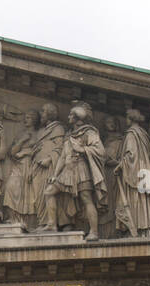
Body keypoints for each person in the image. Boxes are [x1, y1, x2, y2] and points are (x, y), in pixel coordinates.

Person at [44, 102, 108, 241]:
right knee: (49, 191)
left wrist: (83, 149)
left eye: (71, 115)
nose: (68, 117)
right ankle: (51, 225)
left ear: (78, 118)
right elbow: (62, 156)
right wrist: (55, 175)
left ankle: (94, 232)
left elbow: (101, 152)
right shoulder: (69, 135)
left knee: (86, 198)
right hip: (67, 170)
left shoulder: (89, 132)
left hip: (81, 169)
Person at [112, 108, 150, 238]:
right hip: (145, 170)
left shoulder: (131, 134)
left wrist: (120, 166)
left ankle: (139, 228)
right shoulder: (143, 133)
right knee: (146, 199)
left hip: (136, 172)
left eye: (126, 117)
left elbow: (131, 155)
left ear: (130, 119)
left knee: (136, 199)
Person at [0, 110, 39, 228]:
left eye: (28, 117)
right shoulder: (20, 134)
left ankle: (29, 222)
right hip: (18, 166)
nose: (25, 120)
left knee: (30, 193)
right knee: (10, 188)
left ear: (34, 120)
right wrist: (22, 140)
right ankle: (13, 218)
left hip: (32, 166)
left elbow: (42, 150)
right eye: (25, 117)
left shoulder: (40, 134)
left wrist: (26, 152)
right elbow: (12, 152)